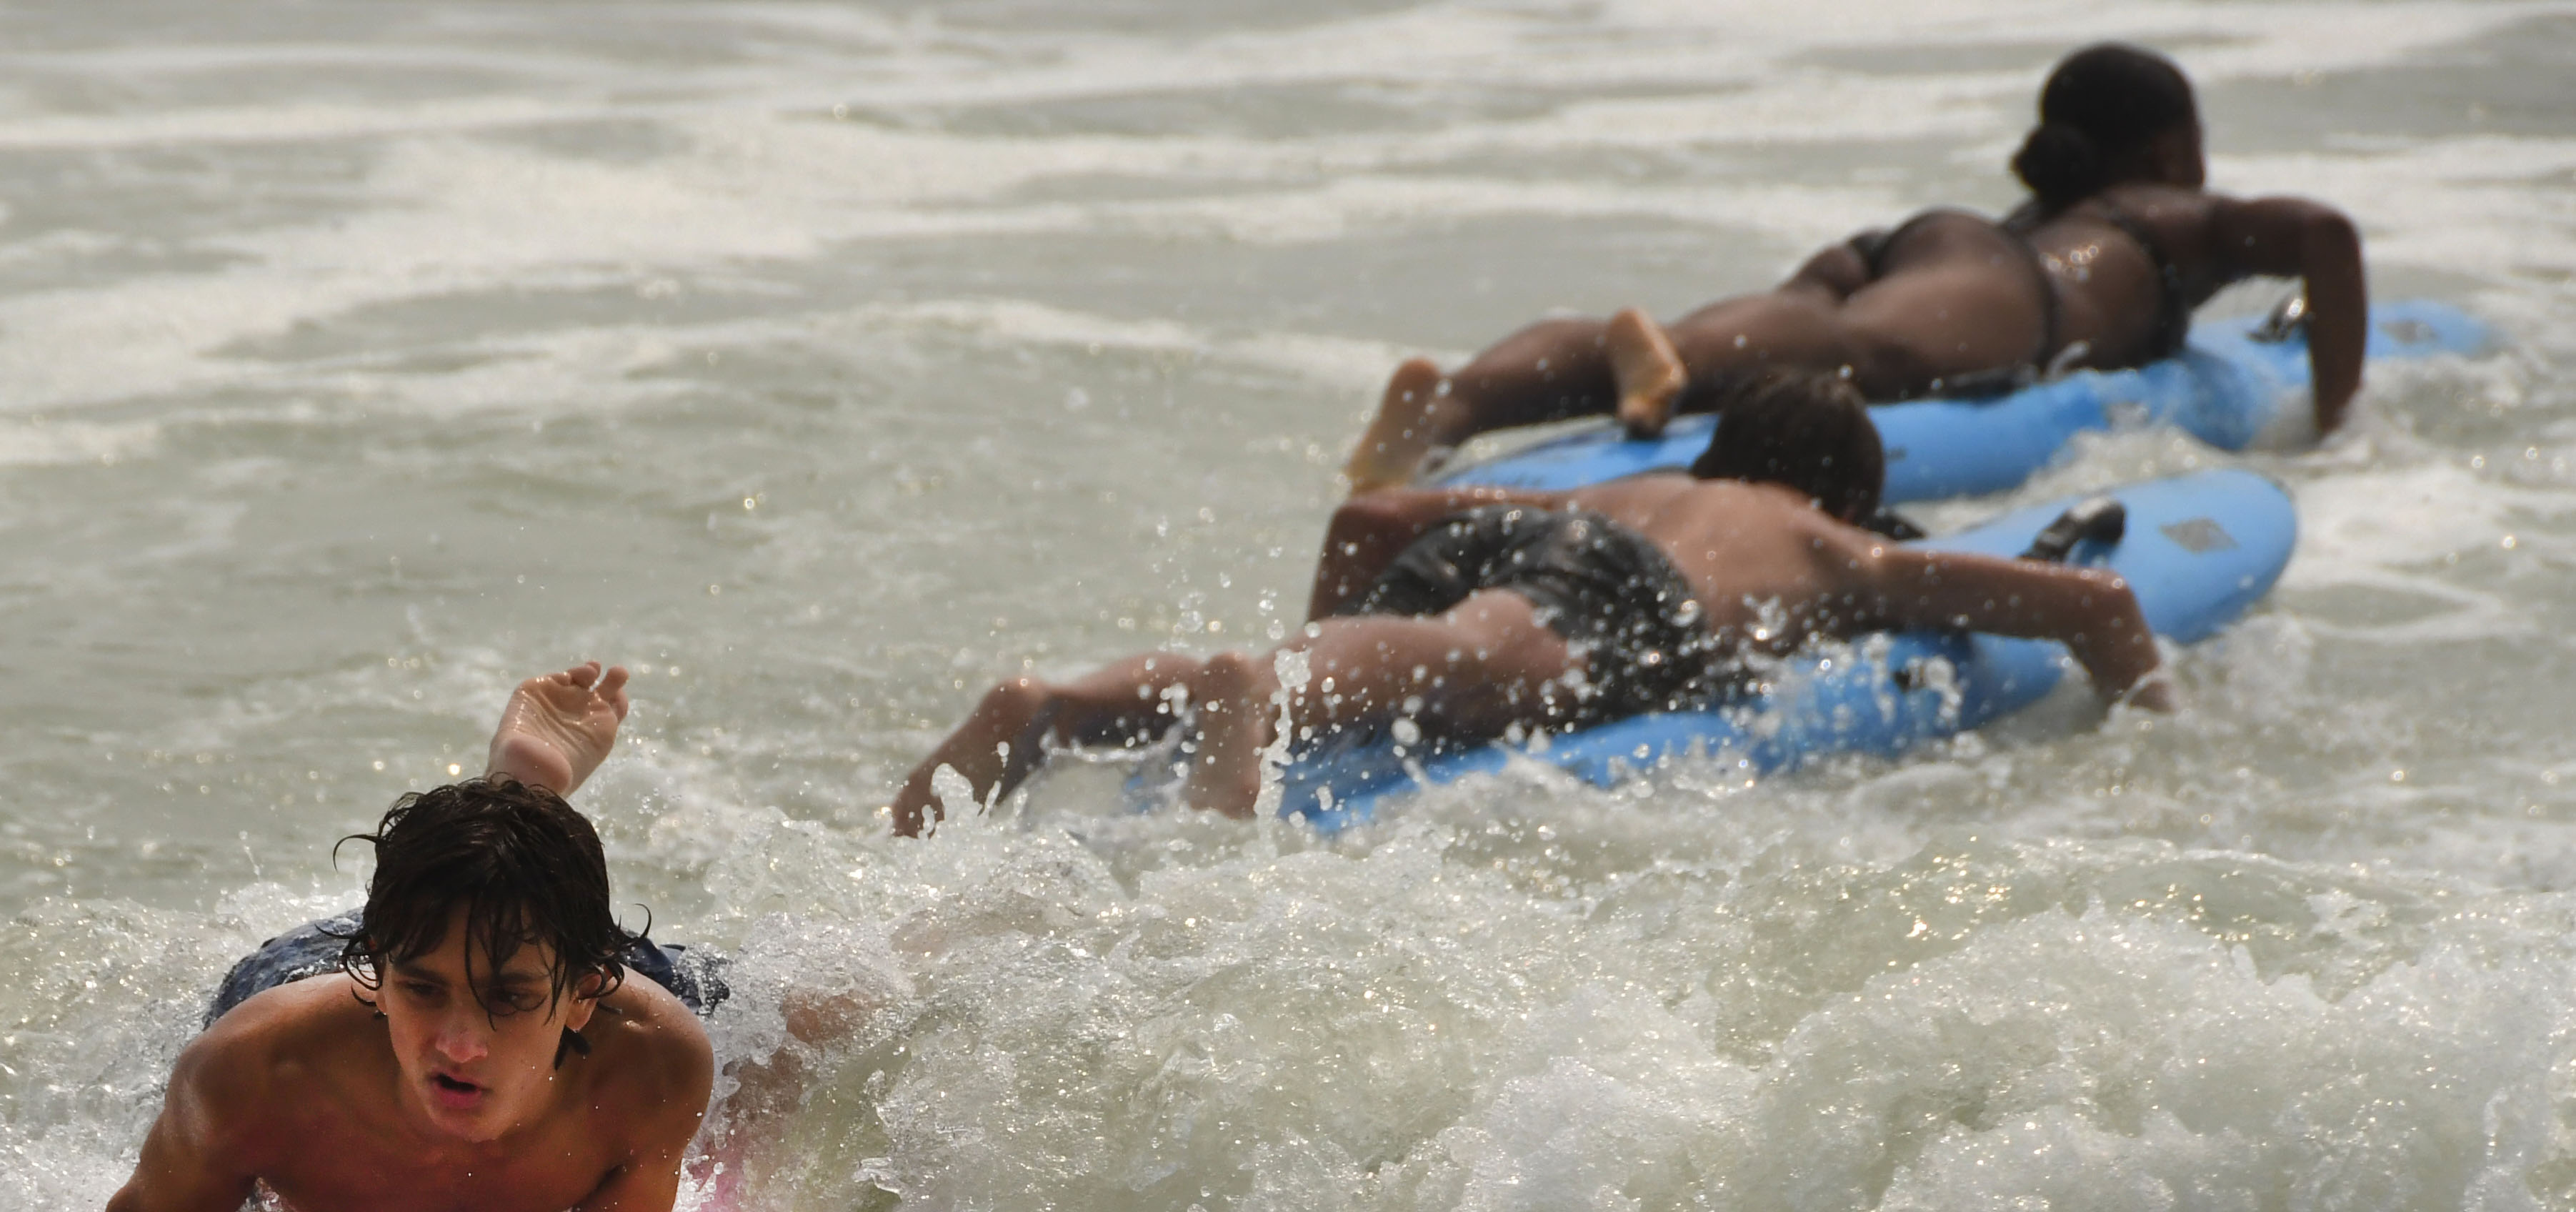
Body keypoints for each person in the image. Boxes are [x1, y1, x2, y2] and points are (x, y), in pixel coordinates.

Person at [895, 371, 2171, 830]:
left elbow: (1380, 517)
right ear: (1843, 483)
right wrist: (2161, 734)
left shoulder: (1647, 485)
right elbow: (2096, 601)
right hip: (1613, 597)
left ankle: (1060, 702)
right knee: (1470, 653)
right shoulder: (1830, 540)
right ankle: (1263, 691)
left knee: (1422, 642)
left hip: (1526, 532)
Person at [95, 662, 715, 1212]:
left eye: (506, 1002)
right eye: (423, 992)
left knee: (798, 1023)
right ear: (382, 975)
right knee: (466, 933)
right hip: (309, 978)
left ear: (582, 996)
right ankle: (501, 819)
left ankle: (522, 792)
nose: (460, 1043)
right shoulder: (253, 1074)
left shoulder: (646, 1062)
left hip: (543, 960)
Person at [1342, 44, 2369, 490]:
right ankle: (1675, 351)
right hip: (2006, 292)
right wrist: (2336, 418)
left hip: (1921, 248)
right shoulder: (2171, 209)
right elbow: (2325, 232)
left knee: (1787, 331)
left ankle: (1456, 404)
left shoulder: (2051, 206)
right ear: (2163, 146)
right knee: (1845, 350)